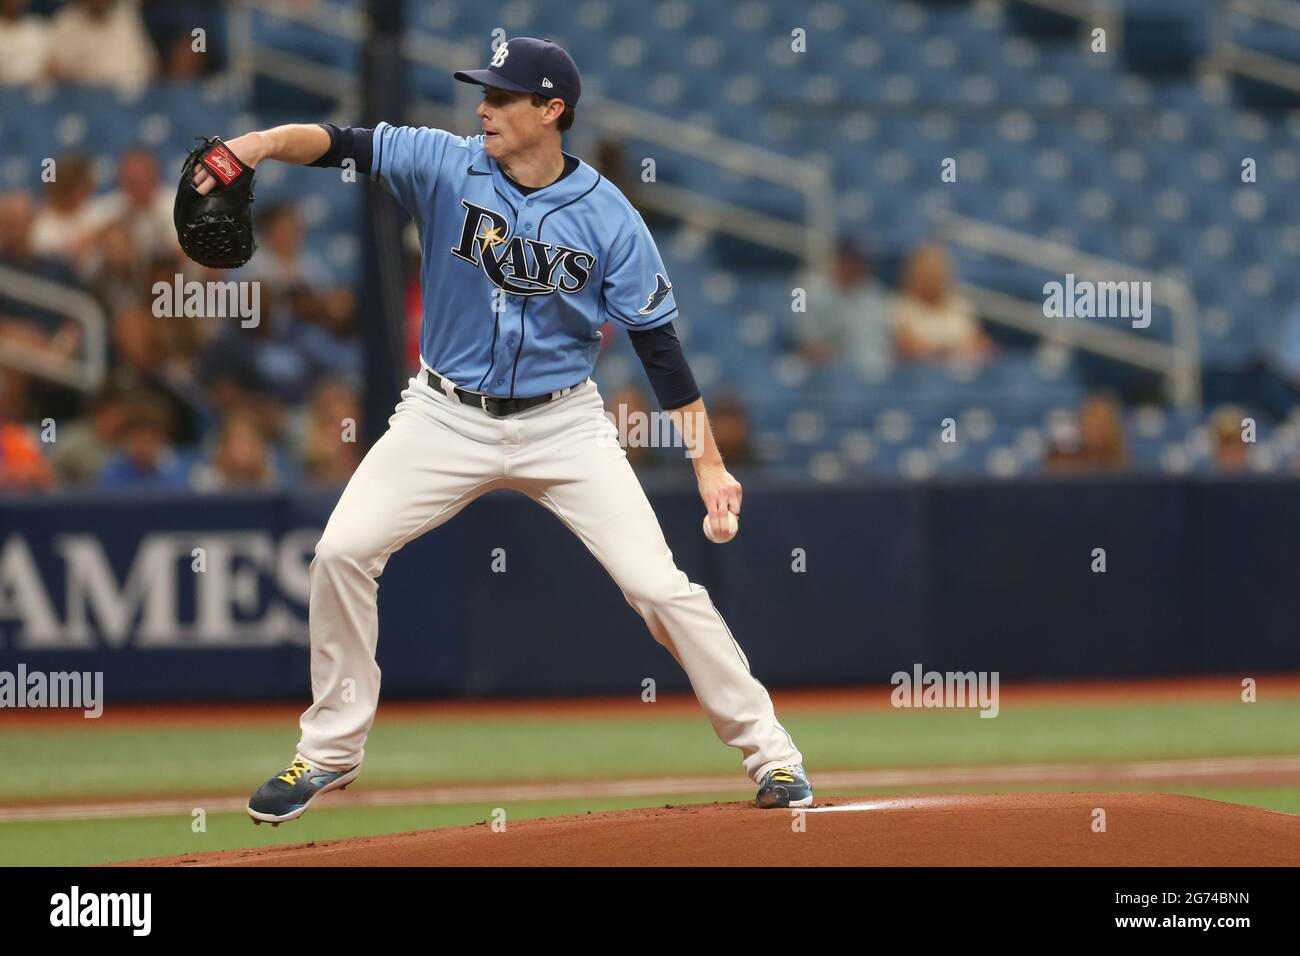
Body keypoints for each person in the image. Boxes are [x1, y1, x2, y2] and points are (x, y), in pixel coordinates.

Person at [192, 37, 809, 823]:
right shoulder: (444, 163)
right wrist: (256, 145)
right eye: (484, 91)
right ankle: (329, 752)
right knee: (342, 552)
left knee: (660, 588)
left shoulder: (609, 216)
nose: (483, 106)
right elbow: (340, 143)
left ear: (551, 111)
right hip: (443, 414)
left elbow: (660, 349)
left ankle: (774, 756)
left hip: (564, 424)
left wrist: (708, 466)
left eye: (504, 96)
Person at [794, 241, 893, 372]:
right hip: (831, 373)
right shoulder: (810, 292)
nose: (851, 266)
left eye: (856, 261)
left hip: (876, 373)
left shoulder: (876, 294)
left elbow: (887, 345)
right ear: (838, 261)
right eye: (847, 261)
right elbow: (807, 345)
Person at [891, 243, 993, 363]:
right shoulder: (902, 308)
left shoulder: (960, 305)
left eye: (935, 269)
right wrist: (954, 350)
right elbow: (911, 348)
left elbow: (982, 346)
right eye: (926, 270)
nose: (931, 276)